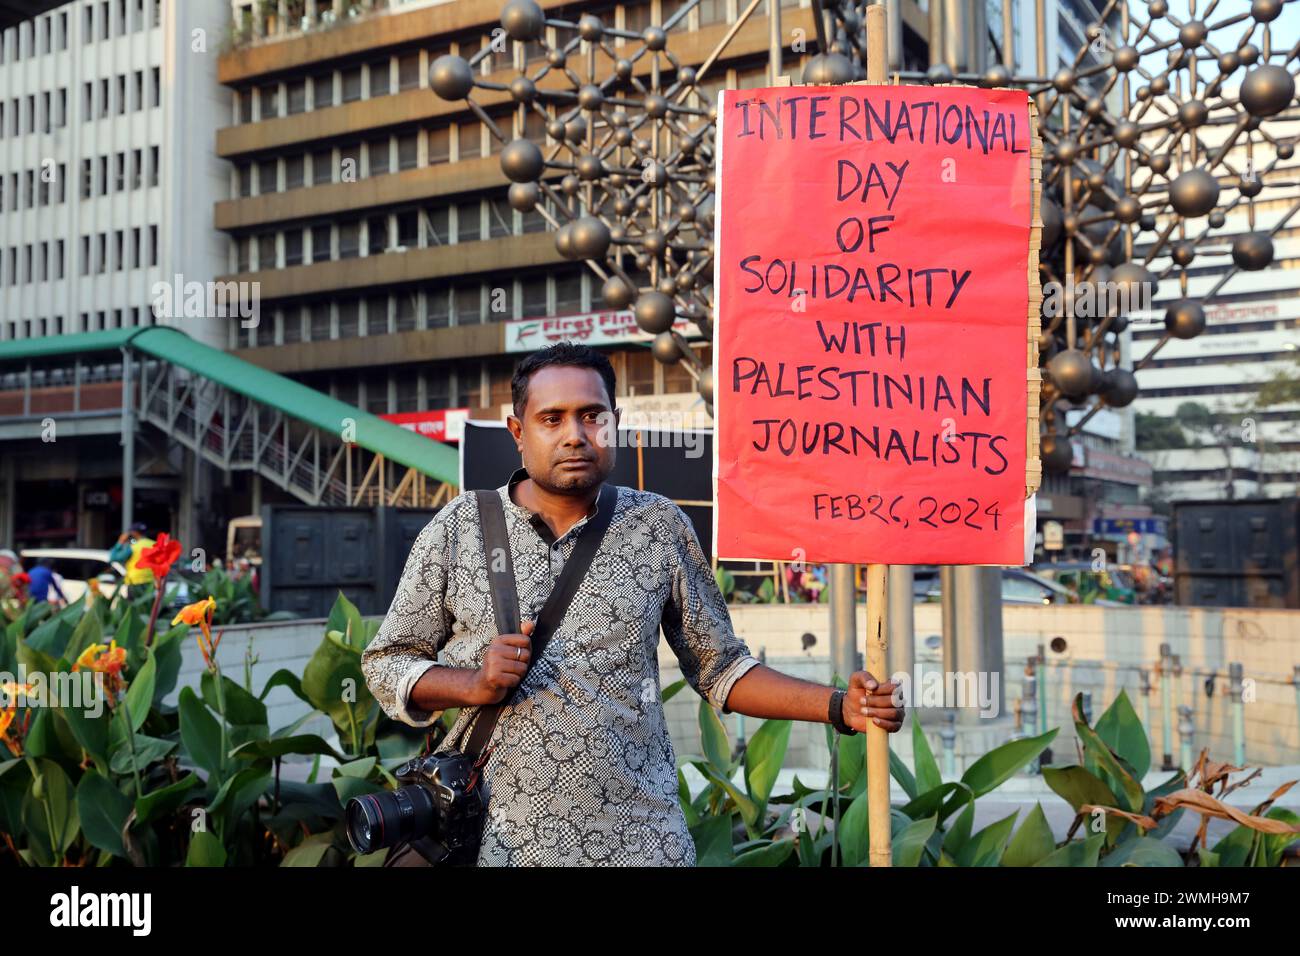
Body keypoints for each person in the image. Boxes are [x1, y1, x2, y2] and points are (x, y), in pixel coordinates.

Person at [360, 343, 905, 867]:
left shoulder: (659, 526)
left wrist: (839, 706)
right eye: (552, 419)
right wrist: (471, 685)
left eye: (592, 416)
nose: (575, 435)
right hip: (497, 842)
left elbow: (721, 669)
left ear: (614, 421)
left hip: (641, 841)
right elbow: (386, 662)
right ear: (518, 433)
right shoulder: (458, 528)